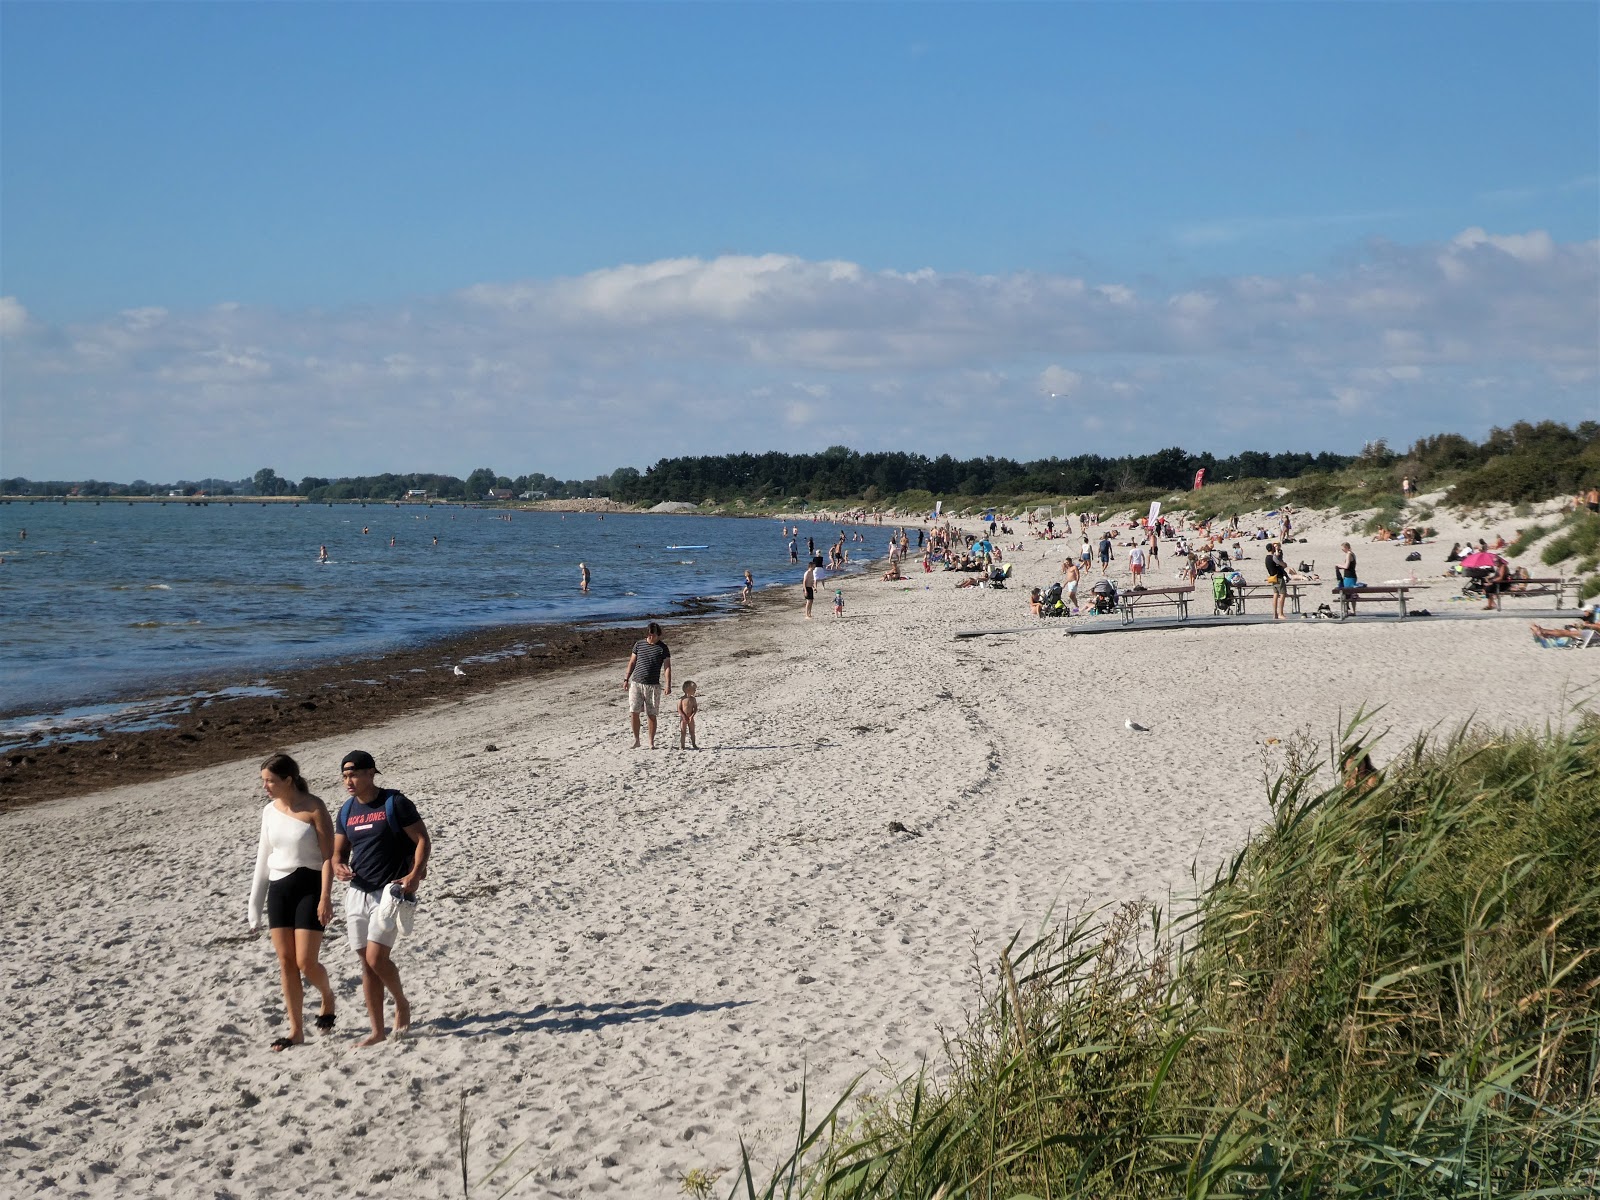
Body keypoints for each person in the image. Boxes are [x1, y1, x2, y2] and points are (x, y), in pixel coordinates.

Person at [332, 751, 430, 1047]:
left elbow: (422, 839)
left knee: (377, 958)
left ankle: (401, 1002)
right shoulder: (347, 811)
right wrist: (338, 866)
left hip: (389, 892)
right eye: (345, 775)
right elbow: (338, 852)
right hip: (357, 893)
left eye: (354, 774)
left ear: (371, 773)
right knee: (366, 963)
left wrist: (415, 874)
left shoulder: (394, 803)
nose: (349, 780)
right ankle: (377, 1030)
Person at [248, 753, 336, 1051]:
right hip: (279, 889)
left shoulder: (314, 807)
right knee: (285, 962)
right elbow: (263, 860)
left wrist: (326, 897)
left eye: (270, 781)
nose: (266, 787)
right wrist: (254, 906)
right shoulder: (269, 812)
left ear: (288, 780)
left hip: (310, 887)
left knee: (305, 962)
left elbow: (328, 858)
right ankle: (296, 1030)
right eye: (263, 781)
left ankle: (327, 996)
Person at [622, 622, 673, 748]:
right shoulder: (639, 644)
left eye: (653, 635)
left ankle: (651, 741)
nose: (651, 638)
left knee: (651, 714)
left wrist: (668, 685)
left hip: (653, 686)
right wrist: (626, 679)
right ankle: (636, 740)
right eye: (649, 635)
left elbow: (667, 668)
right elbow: (632, 662)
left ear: (658, 635)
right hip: (636, 683)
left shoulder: (663, 648)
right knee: (634, 711)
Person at [1264, 542, 1289, 621]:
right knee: (1282, 594)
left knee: (1275, 594)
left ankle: (1275, 614)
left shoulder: (1266, 558)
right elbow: (1282, 564)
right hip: (1278, 577)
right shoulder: (1273, 557)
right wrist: (1284, 564)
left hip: (1272, 578)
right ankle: (1280, 613)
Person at [677, 680, 699, 750]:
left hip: (690, 718)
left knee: (692, 731)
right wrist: (683, 716)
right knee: (683, 732)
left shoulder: (693, 699)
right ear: (687, 690)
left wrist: (692, 716)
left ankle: (694, 744)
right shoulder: (682, 699)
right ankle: (682, 745)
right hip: (683, 718)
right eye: (694, 689)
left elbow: (695, 708)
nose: (695, 691)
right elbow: (679, 709)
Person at [1338, 543, 1359, 611]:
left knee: (1349, 593)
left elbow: (1346, 566)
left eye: (1343, 548)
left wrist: (1338, 565)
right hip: (1351, 575)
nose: (1342, 550)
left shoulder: (1349, 554)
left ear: (1346, 547)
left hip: (1349, 576)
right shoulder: (1352, 554)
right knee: (1350, 593)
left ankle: (1352, 611)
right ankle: (1351, 610)